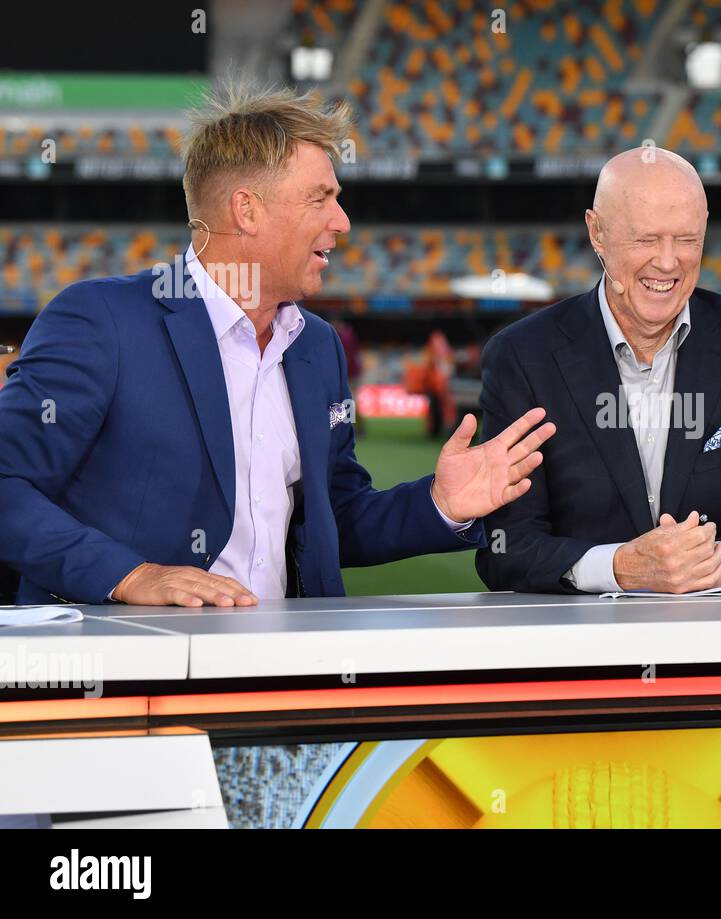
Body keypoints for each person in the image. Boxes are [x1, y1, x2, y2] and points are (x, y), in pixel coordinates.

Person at [0, 82, 554, 607]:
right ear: (247, 210)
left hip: (281, 673)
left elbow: (332, 519)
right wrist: (128, 576)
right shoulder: (102, 320)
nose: (343, 221)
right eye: (322, 198)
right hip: (137, 671)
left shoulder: (316, 345)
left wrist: (440, 504)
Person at [475, 146, 721, 594]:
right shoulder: (522, 356)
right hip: (581, 652)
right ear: (597, 233)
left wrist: (708, 566)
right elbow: (506, 547)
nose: (667, 261)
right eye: (645, 239)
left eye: (687, 239)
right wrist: (620, 568)